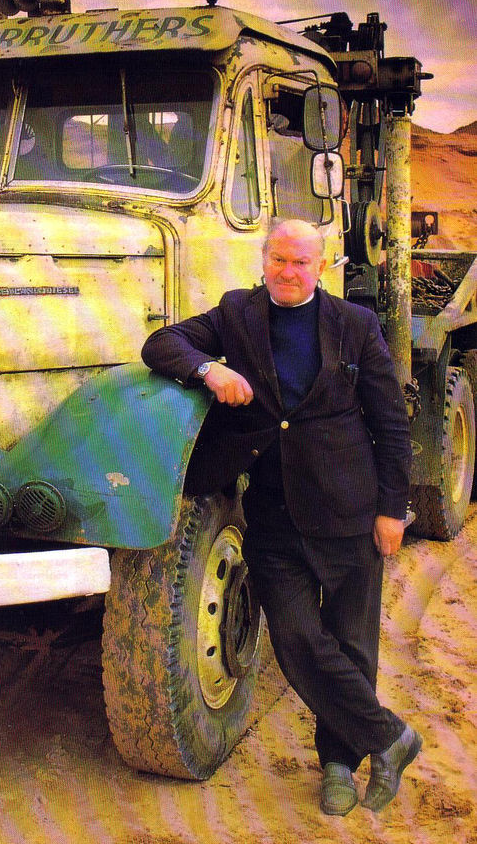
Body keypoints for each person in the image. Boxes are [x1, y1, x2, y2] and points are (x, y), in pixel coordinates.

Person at [141, 218, 421, 816]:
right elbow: (161, 344)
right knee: (295, 639)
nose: (288, 273)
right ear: (263, 259)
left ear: (321, 268)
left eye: (300, 263)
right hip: (271, 516)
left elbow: (391, 424)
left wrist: (392, 510)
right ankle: (390, 736)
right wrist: (208, 370)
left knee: (351, 647)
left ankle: (340, 765)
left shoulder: (356, 325)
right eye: (278, 260)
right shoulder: (235, 313)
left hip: (349, 510)